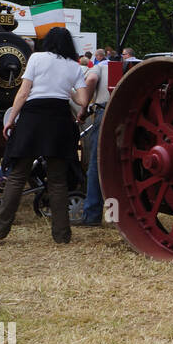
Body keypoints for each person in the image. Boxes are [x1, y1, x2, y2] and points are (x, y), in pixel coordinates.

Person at [0, 27, 91, 244]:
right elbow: (83, 100)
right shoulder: (74, 66)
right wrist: (67, 89)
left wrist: (11, 119)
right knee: (57, 181)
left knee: (17, 175)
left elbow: (24, 92)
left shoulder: (36, 58)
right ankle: (62, 235)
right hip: (59, 118)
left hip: (33, 117)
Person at [75, 53, 111, 227]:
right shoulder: (125, 65)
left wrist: (83, 108)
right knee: (117, 169)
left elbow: (91, 80)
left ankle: (92, 216)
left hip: (105, 112)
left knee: (96, 166)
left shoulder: (97, 68)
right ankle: (115, 217)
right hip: (130, 113)